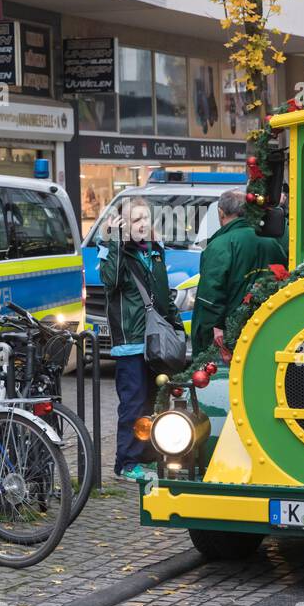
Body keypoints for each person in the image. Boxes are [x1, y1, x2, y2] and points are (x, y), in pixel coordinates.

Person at [99, 197, 176, 482]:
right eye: (135, 220)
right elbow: (112, 282)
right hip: (130, 342)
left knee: (153, 402)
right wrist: (115, 242)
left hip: (155, 342)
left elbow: (163, 294)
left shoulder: (154, 252)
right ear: (122, 225)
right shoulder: (111, 252)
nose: (143, 224)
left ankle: (147, 456)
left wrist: (174, 325)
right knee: (133, 405)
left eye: (146, 218)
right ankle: (126, 462)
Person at [191, 189, 287, 356]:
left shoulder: (220, 246)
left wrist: (206, 340)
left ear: (221, 213)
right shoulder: (272, 243)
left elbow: (210, 299)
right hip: (266, 330)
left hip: (229, 342)